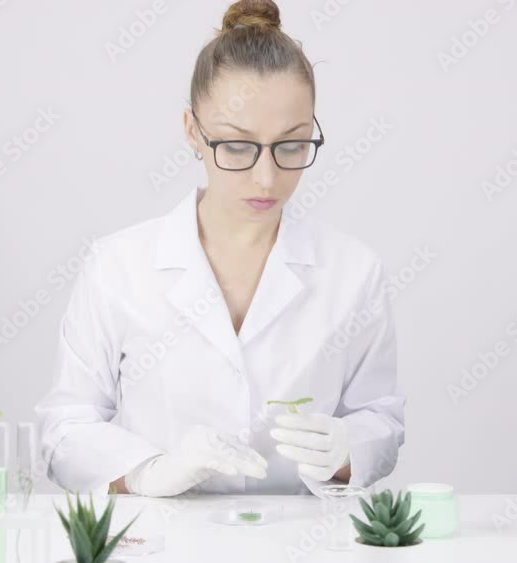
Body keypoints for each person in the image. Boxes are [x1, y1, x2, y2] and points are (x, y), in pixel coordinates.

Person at [35, 0, 404, 497]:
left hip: (301, 534)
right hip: (160, 534)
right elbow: (65, 427)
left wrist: (348, 450)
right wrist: (147, 472)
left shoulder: (353, 271)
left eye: (292, 145)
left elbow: (380, 419)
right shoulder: (118, 266)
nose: (266, 178)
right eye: (236, 146)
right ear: (193, 131)